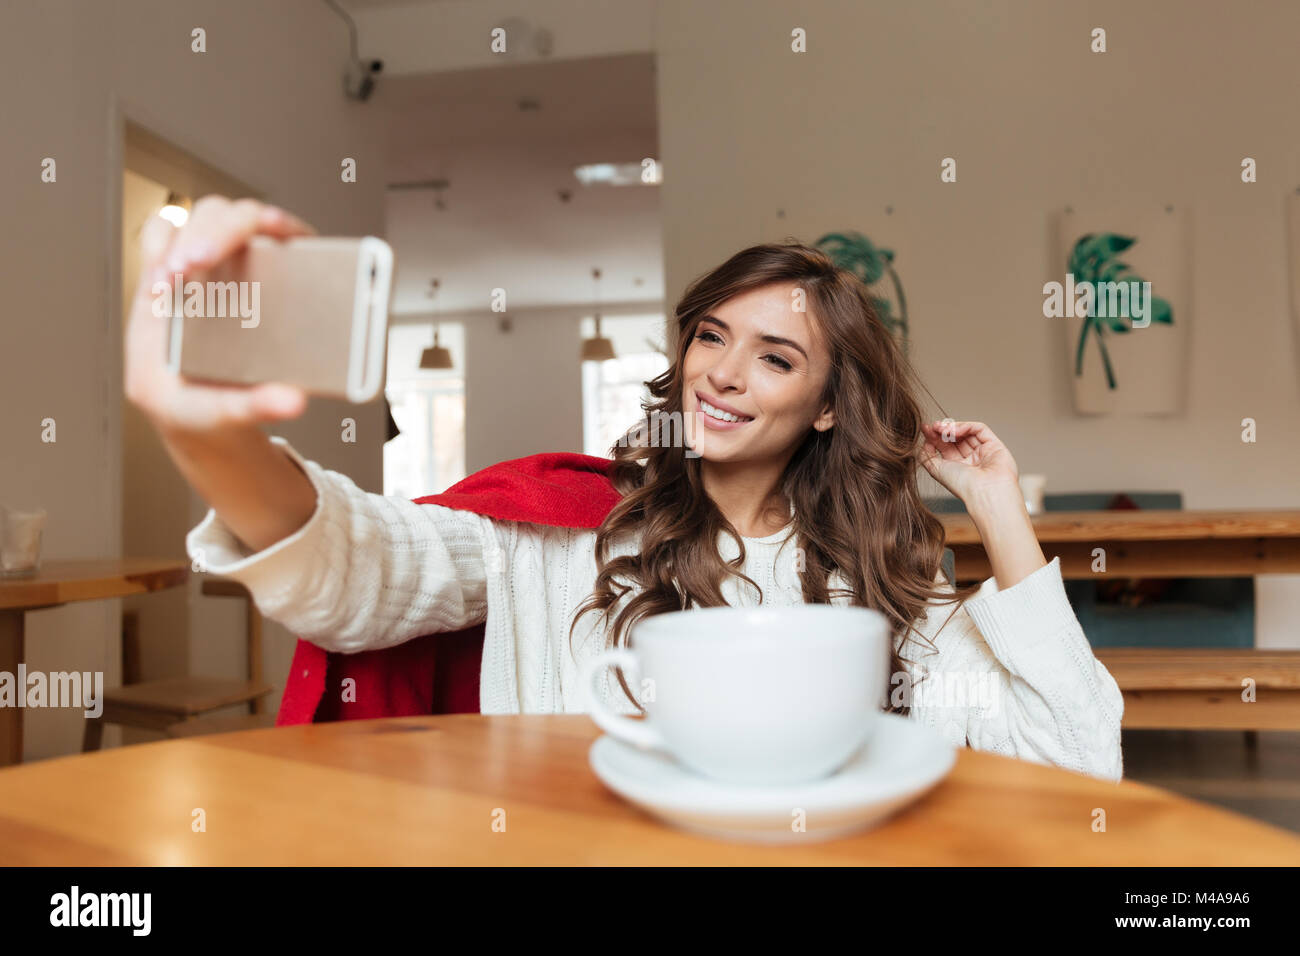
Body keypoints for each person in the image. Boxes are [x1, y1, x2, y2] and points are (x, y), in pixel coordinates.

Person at [126, 196, 1124, 782]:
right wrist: (202, 427)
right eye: (709, 335)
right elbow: (359, 573)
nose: (721, 373)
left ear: (827, 404)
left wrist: (994, 506)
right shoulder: (564, 533)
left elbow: (1077, 753)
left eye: (774, 357)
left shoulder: (887, 589)